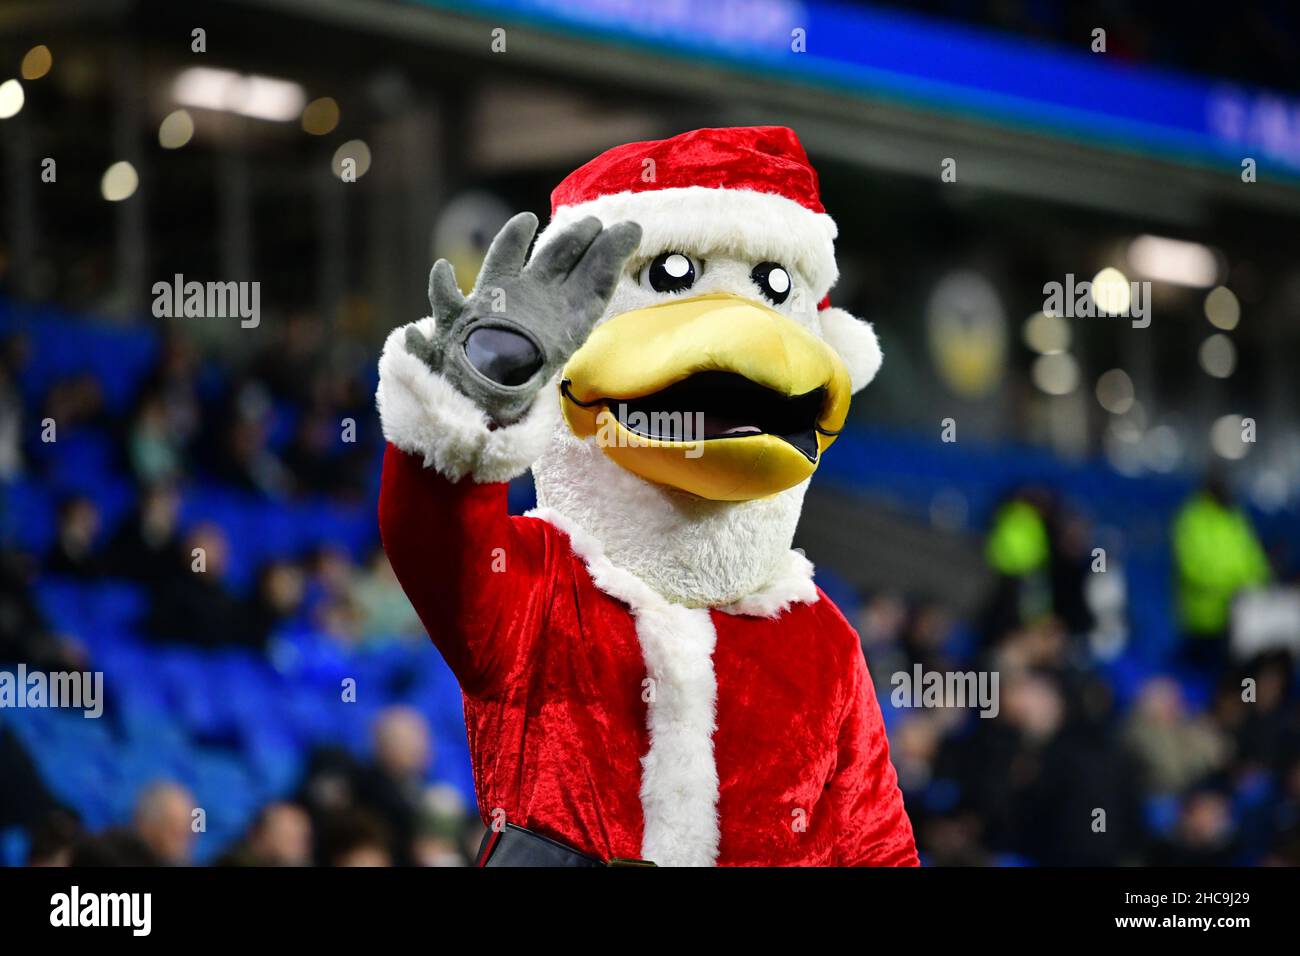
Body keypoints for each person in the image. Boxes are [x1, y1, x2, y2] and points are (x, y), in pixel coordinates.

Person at [1173, 475, 1270, 673]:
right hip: (1202, 618)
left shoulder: (1235, 518)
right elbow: (1193, 569)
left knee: (1236, 676)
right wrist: (1232, 587)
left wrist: (1258, 582)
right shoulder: (1192, 518)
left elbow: (1254, 561)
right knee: (1202, 676)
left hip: (1237, 616)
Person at [132, 781, 197, 865]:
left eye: (186, 832)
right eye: (175, 830)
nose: (183, 844)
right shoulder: (115, 858)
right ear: (148, 828)